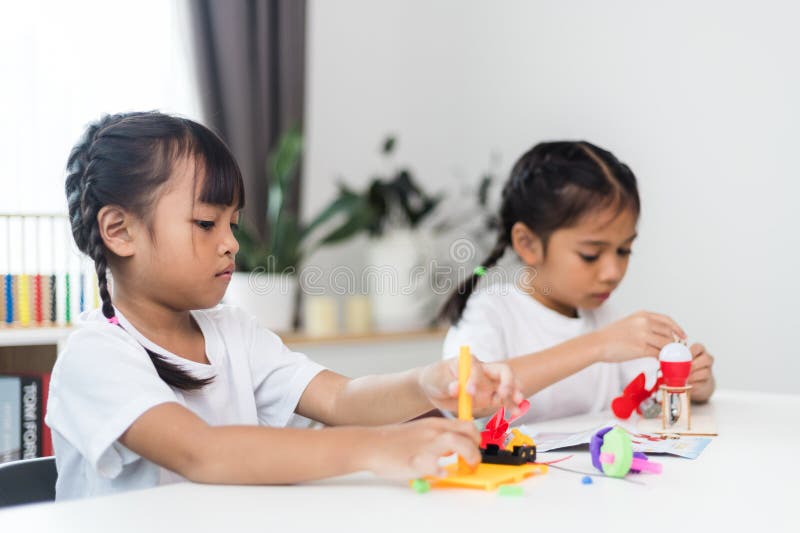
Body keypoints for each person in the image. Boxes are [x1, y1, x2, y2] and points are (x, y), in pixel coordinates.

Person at [47, 111, 523, 500]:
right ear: (119, 231)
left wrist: (427, 383)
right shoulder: (96, 356)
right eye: (206, 223)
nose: (231, 244)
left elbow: (339, 399)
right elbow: (202, 453)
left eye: (233, 224)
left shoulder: (233, 331)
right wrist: (374, 448)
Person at [440, 141, 715, 424]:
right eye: (590, 255)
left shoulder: (604, 317)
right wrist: (598, 345)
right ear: (527, 243)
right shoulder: (489, 313)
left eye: (624, 251)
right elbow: (472, 398)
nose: (612, 272)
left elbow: (651, 401)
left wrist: (693, 383)